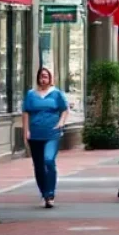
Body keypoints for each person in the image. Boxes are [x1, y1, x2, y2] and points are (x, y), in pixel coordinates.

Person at [22, 66, 69, 208]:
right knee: (38, 166)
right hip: (35, 134)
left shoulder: (56, 94)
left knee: (48, 160)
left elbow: (65, 110)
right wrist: (26, 131)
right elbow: (25, 113)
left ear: (50, 78)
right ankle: (44, 193)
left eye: (46, 76)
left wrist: (60, 123)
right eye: (41, 76)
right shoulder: (31, 94)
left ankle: (50, 193)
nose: (43, 79)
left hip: (52, 133)